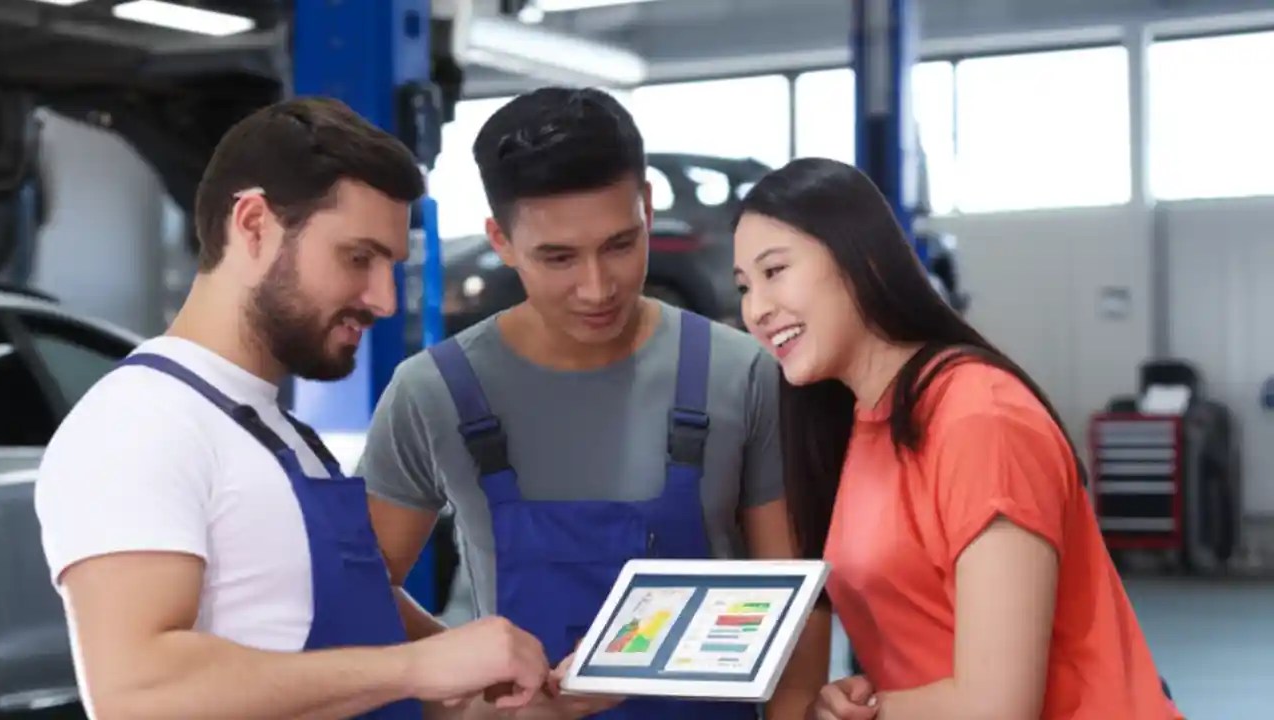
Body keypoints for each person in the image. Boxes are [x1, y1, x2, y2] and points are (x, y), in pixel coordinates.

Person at [33, 97, 553, 720]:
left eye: (391, 266)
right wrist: (418, 667)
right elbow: (138, 692)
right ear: (253, 224)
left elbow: (391, 679)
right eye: (358, 258)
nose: (384, 299)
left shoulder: (286, 439)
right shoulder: (139, 423)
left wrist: (521, 693)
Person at [357, 87, 830, 720]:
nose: (597, 287)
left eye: (619, 244)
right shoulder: (432, 393)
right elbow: (359, 589)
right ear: (500, 240)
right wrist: (460, 683)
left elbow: (791, 601)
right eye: (558, 257)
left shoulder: (741, 375)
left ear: (648, 209)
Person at [729, 157, 1185, 720]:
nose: (756, 309)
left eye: (775, 272)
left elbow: (996, 706)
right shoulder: (851, 428)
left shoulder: (978, 416)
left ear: (862, 258)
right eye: (744, 286)